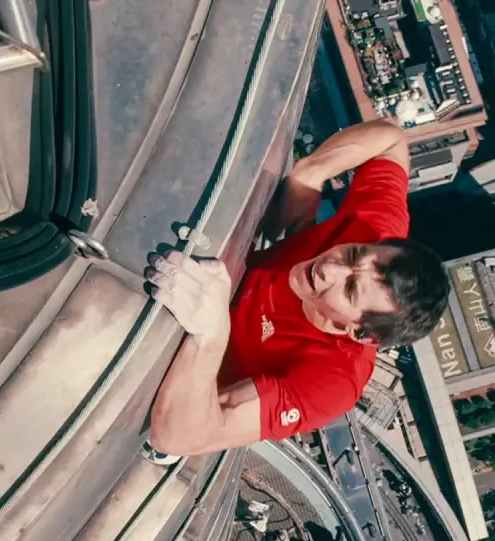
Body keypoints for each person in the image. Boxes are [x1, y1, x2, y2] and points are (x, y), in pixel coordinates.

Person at [142, 119, 449, 464]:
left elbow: (177, 436)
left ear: (361, 333)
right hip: (202, 273)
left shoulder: (332, 382)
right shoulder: (373, 235)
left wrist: (211, 336)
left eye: (349, 288)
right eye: (352, 254)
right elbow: (391, 139)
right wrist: (311, 172)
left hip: (173, 375)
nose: (328, 267)